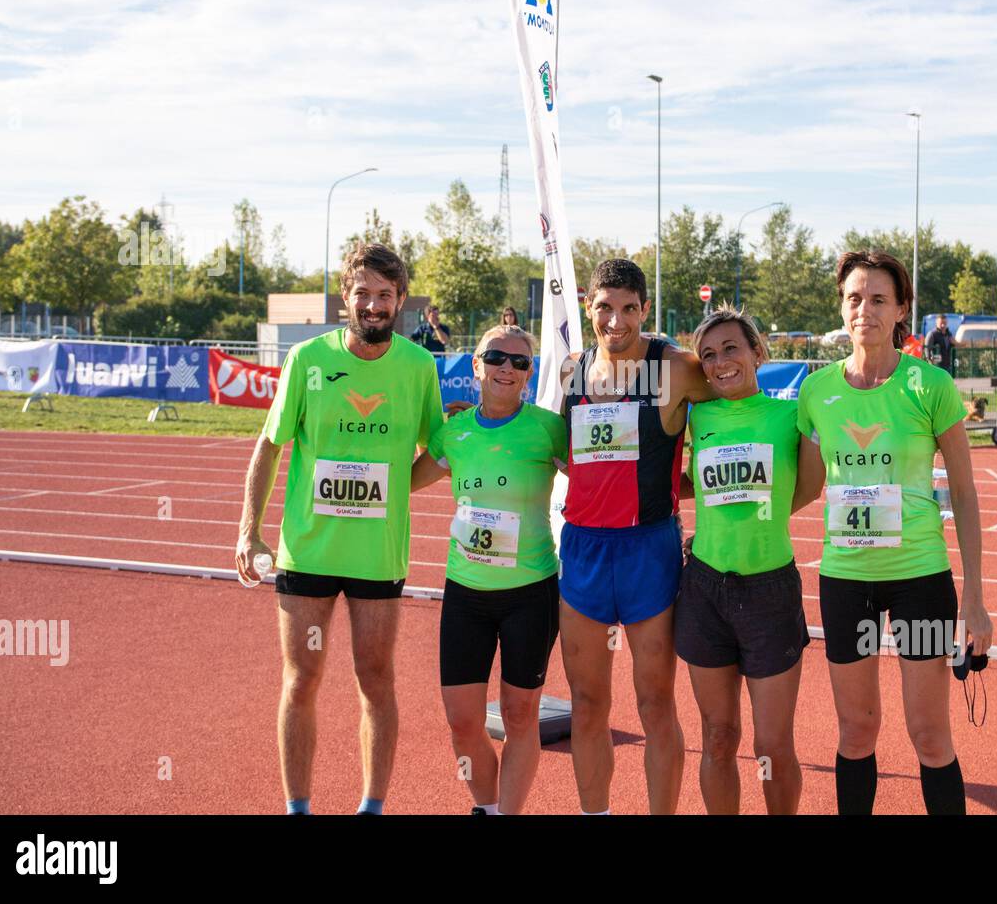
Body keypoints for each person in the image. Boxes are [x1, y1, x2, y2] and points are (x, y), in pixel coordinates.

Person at [235, 242, 444, 816]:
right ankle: (298, 807)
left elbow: (440, 451)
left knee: (375, 679)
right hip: (307, 553)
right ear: (344, 298)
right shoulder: (306, 360)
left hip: (378, 556)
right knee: (302, 679)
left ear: (399, 299)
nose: (373, 305)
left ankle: (372, 807)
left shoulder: (418, 366)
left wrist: (390, 487)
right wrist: (248, 531)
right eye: (362, 293)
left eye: (384, 295)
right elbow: (270, 445)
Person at [796, 249, 992, 816]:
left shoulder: (930, 385)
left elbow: (966, 494)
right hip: (845, 583)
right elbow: (804, 489)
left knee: (929, 735)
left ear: (901, 308)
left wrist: (974, 599)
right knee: (857, 732)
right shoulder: (816, 392)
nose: (866, 311)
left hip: (918, 582)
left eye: (879, 299)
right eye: (855, 298)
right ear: (841, 306)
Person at [558, 258, 713, 815]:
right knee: (587, 702)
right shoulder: (573, 371)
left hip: (649, 549)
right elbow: (568, 455)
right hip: (582, 550)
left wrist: (698, 491)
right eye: (604, 307)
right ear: (588, 308)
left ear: (645, 309)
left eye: (628, 308)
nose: (615, 320)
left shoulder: (674, 368)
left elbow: (732, 423)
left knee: (654, 703)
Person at [411, 324, 566, 814]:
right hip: (466, 593)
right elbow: (402, 482)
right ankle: (487, 803)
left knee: (521, 715)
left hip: (531, 592)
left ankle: (504, 813)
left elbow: (597, 480)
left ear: (530, 374)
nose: (507, 368)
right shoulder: (452, 432)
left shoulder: (547, 427)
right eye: (496, 357)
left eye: (520, 362)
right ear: (475, 365)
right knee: (462, 721)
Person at [676, 306, 821, 814]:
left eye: (731, 348)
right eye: (709, 355)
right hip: (704, 590)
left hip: (770, 593)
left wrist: (761, 518)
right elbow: (682, 482)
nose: (719, 363)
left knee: (772, 747)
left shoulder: (791, 415)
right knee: (717, 737)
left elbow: (807, 486)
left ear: (757, 352)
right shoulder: (698, 414)